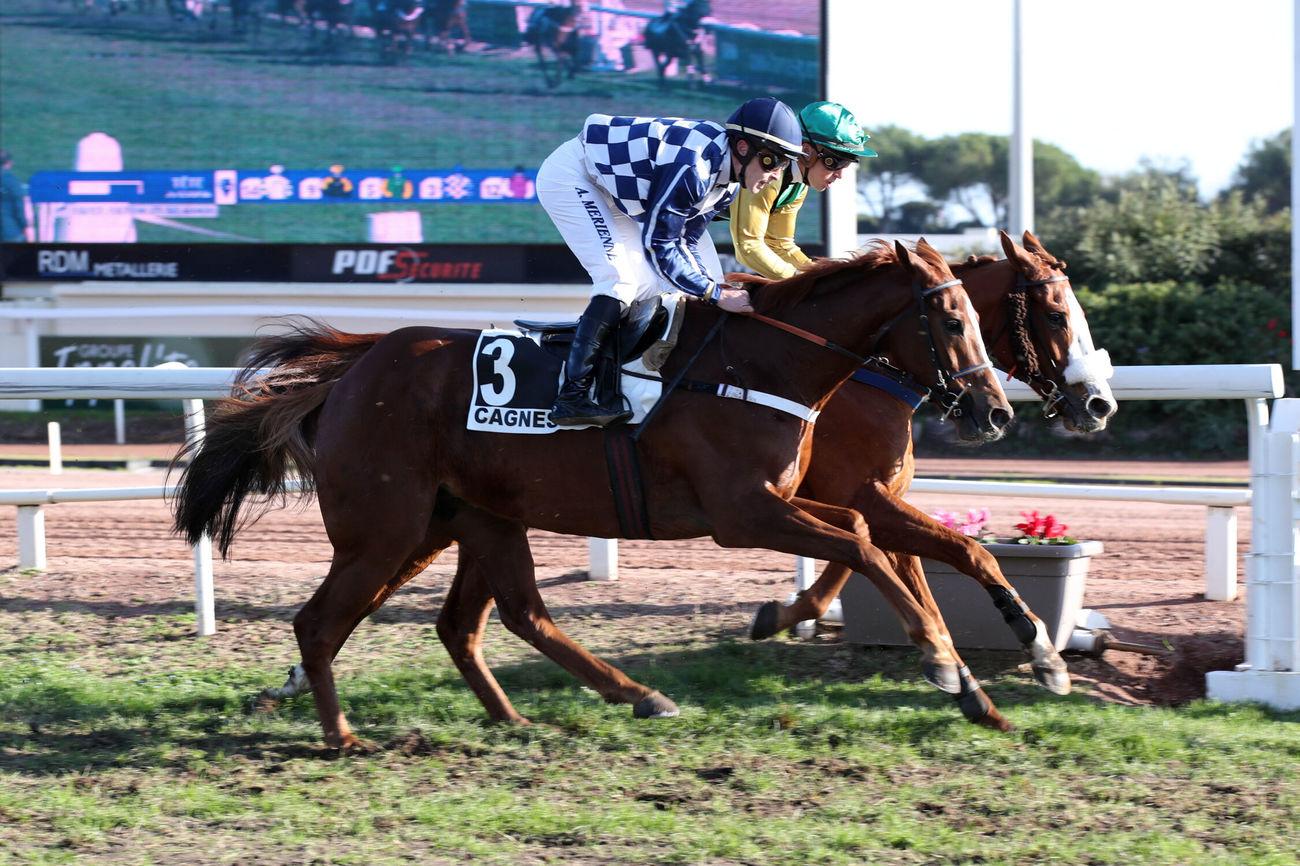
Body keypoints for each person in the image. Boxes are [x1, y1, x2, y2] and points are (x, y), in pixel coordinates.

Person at [536, 96, 804, 427]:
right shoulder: (696, 168)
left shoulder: (728, 185)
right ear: (744, 147)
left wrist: (710, 288)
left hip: (613, 191)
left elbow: (686, 242)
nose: (775, 176)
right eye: (770, 161)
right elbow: (660, 244)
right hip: (574, 176)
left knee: (650, 284)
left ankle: (610, 388)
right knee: (619, 280)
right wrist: (715, 294)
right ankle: (571, 397)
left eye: (781, 165)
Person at [729, 101, 876, 279]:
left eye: (847, 164)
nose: (840, 175)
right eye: (836, 162)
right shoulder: (768, 175)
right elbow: (748, 247)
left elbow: (780, 244)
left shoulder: (798, 184)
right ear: (807, 152)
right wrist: (804, 281)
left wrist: (822, 275)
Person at [0, 149, 32, 243]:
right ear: (9, 163)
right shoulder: (11, 181)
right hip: (10, 231)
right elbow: (19, 208)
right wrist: (25, 227)